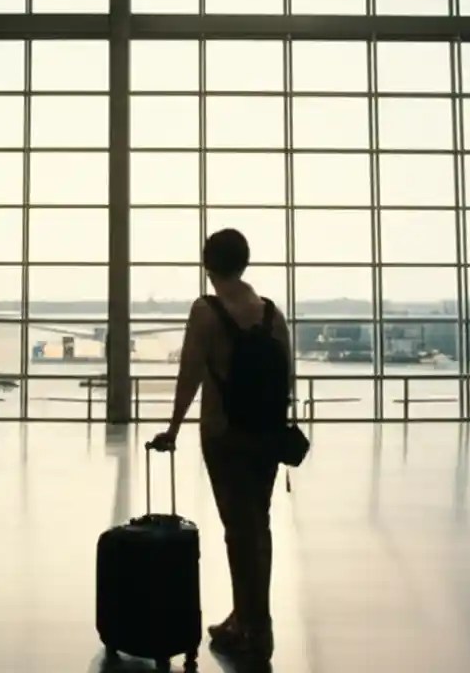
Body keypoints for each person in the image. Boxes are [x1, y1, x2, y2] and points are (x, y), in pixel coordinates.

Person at [150, 228, 291, 663]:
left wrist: (172, 429)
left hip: (224, 435)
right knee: (258, 526)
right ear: (244, 262)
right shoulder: (271, 313)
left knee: (237, 531)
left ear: (208, 264)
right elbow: (287, 378)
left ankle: (254, 627)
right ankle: (247, 616)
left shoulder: (206, 311)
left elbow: (189, 375)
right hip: (266, 436)